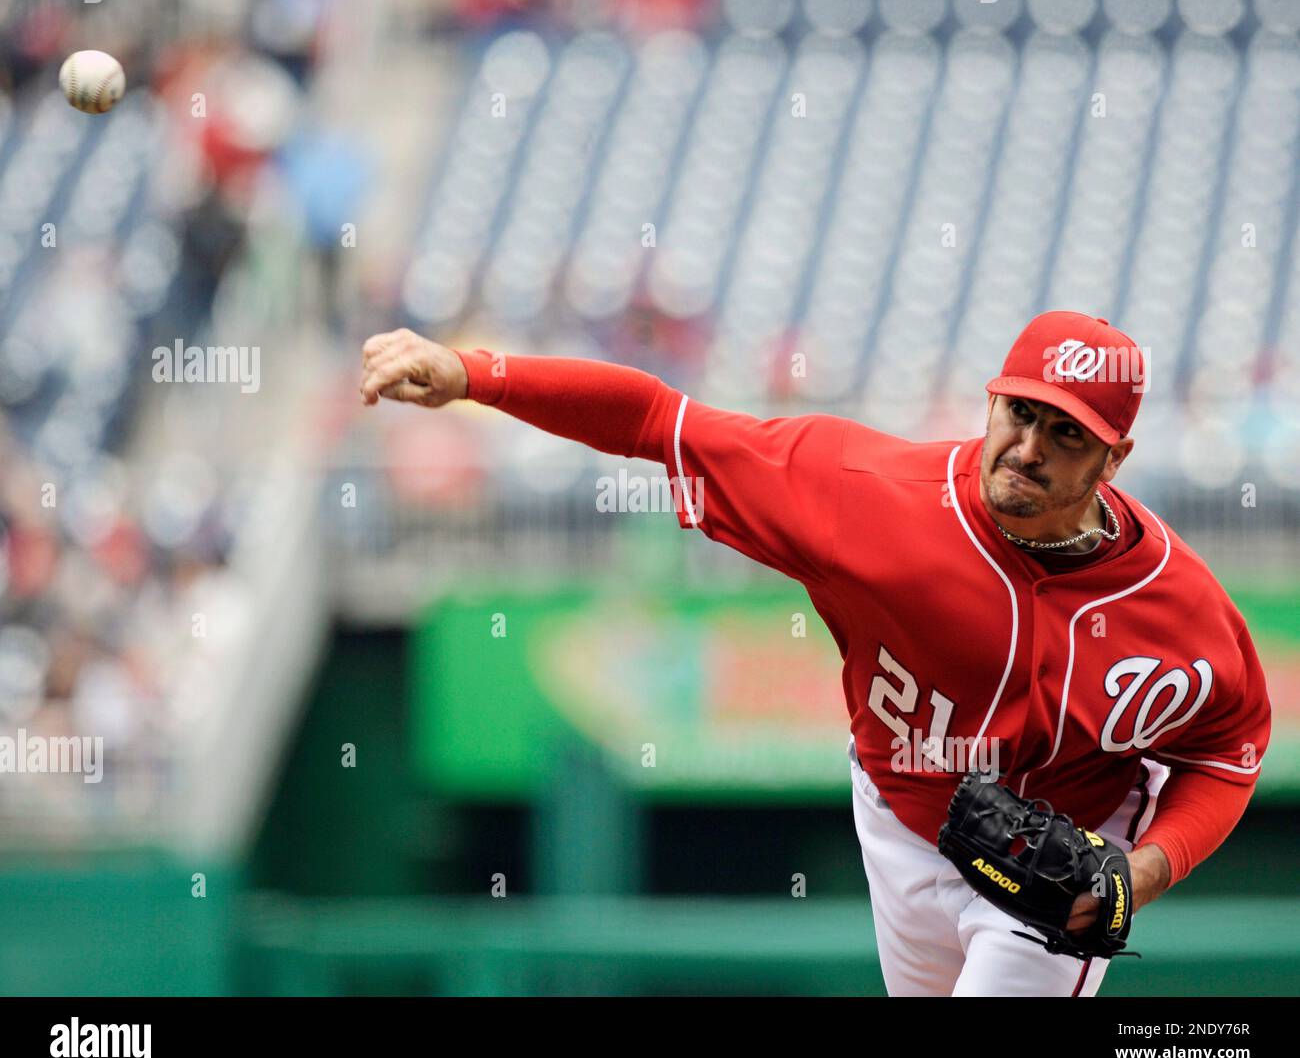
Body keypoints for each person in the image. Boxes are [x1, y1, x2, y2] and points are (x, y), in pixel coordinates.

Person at [358, 310, 1271, 996]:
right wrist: (474, 375)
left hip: (1060, 866)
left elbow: (1228, 751)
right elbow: (660, 421)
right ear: (991, 400)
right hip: (895, 819)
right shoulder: (862, 493)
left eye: (1067, 432)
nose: (1028, 448)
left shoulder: (1176, 608)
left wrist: (1145, 867)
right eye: (1021, 413)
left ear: (1116, 459)